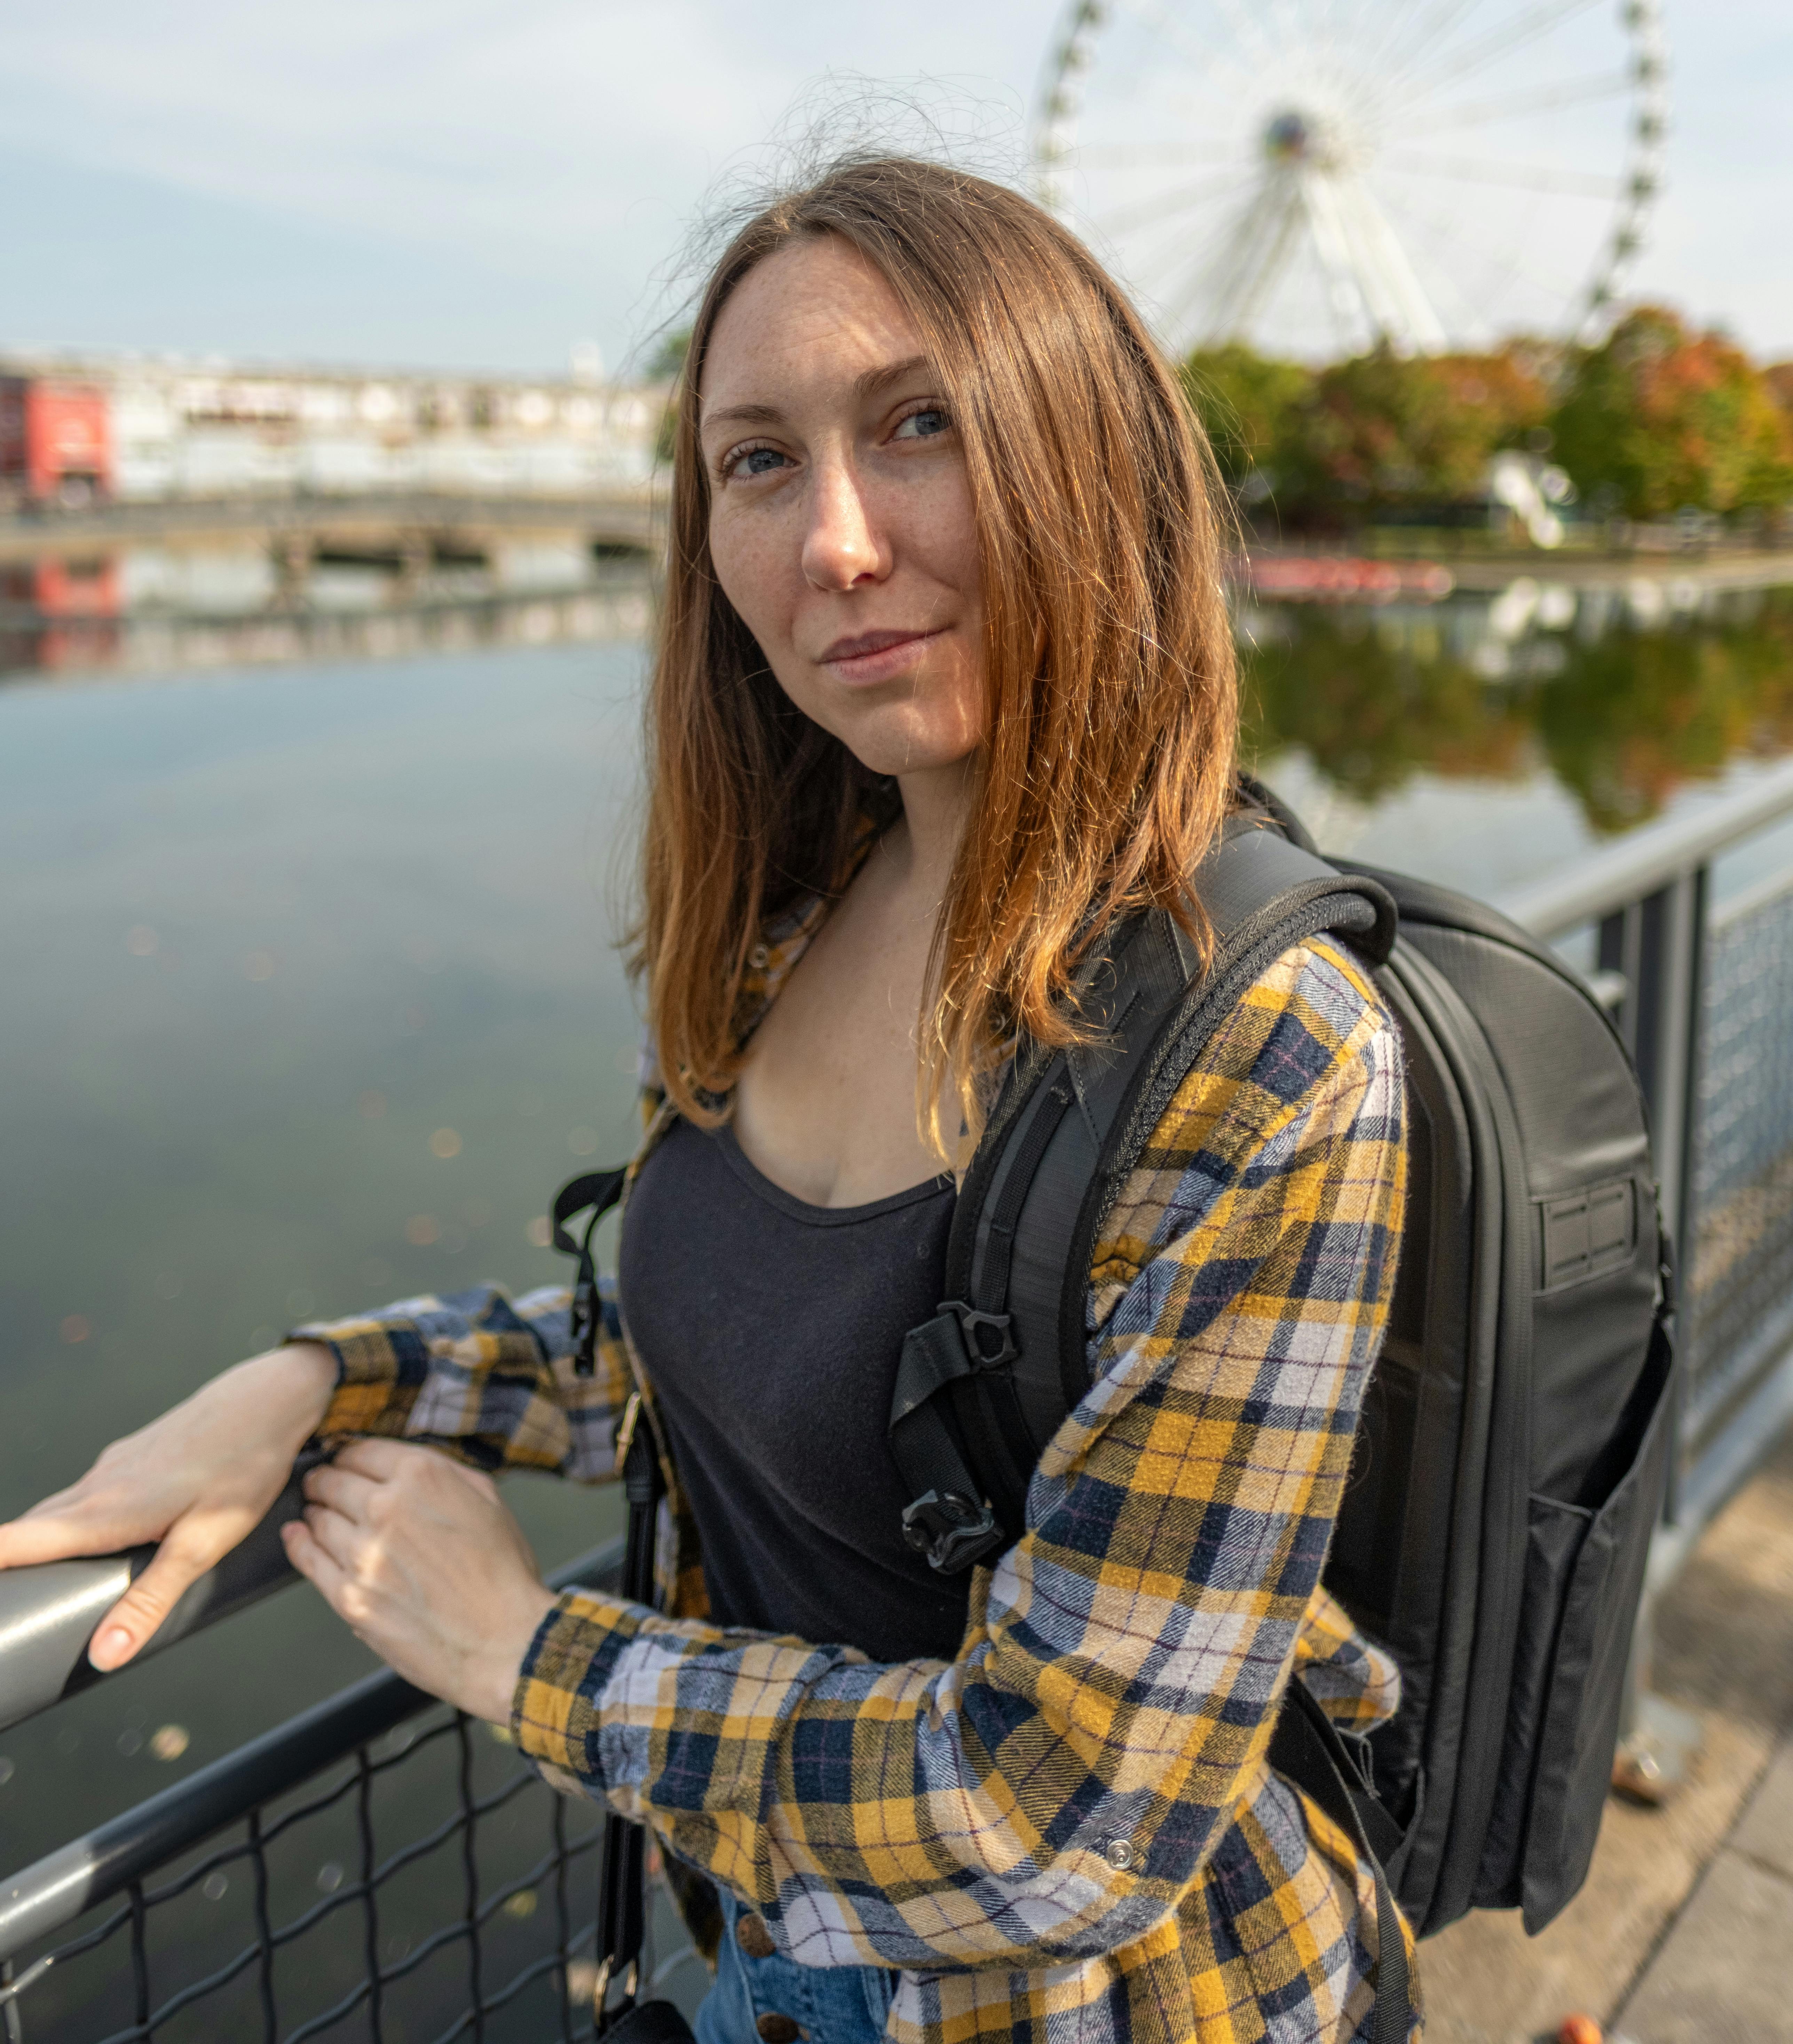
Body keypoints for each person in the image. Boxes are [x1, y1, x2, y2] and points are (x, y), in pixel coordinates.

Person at [0, 158, 1413, 2043]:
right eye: (755, 461)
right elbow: (698, 1348)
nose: (831, 540)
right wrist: (311, 1381)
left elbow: (1064, 1819)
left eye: (919, 424)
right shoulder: (787, 929)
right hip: (772, 1967)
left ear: (1094, 461)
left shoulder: (1271, 1060)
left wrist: (524, 1654)